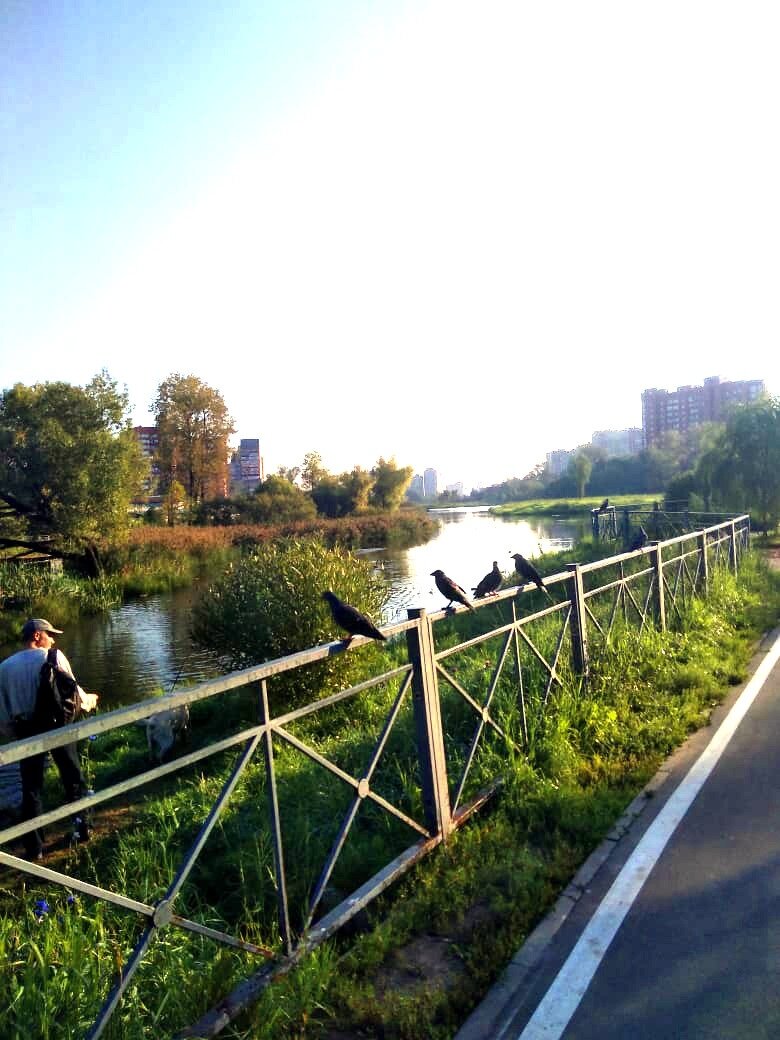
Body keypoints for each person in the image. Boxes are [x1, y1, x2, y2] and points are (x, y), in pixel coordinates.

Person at [0, 618, 99, 859]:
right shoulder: (52, 656)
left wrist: (14, 735)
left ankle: (34, 848)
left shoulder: (4, 667)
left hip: (25, 730)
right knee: (72, 777)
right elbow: (73, 693)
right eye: (49, 634)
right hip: (57, 727)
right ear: (37, 636)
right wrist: (91, 701)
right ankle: (82, 828)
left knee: (31, 788)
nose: (53, 639)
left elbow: (2, 710)